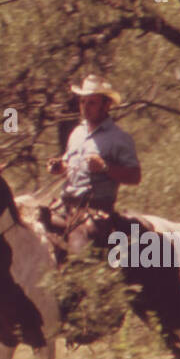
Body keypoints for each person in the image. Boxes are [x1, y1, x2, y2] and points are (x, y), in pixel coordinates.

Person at [44, 75, 141, 243]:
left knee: (89, 244)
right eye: (83, 102)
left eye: (92, 103)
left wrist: (105, 167)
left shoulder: (119, 138)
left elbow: (135, 176)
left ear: (106, 105)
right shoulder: (77, 133)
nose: (85, 107)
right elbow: (69, 165)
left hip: (97, 211)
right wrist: (60, 167)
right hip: (66, 206)